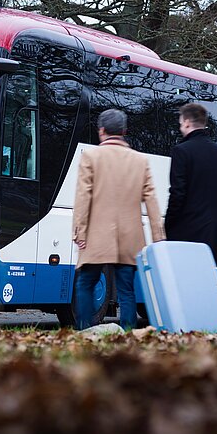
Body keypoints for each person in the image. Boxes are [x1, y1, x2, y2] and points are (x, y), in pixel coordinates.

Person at [72, 109, 165, 330]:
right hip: (130, 238)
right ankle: (128, 335)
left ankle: (84, 331)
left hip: (97, 236)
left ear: (101, 131)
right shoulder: (140, 160)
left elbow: (83, 196)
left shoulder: (90, 157)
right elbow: (151, 199)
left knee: (85, 284)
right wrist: (158, 237)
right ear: (124, 131)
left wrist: (79, 232)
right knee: (126, 290)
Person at [165, 102, 217, 264]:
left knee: (183, 282)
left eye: (181, 123)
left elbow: (177, 194)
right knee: (208, 281)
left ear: (187, 122)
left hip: (185, 232)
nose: (181, 127)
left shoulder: (181, 151)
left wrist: (168, 226)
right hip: (214, 233)